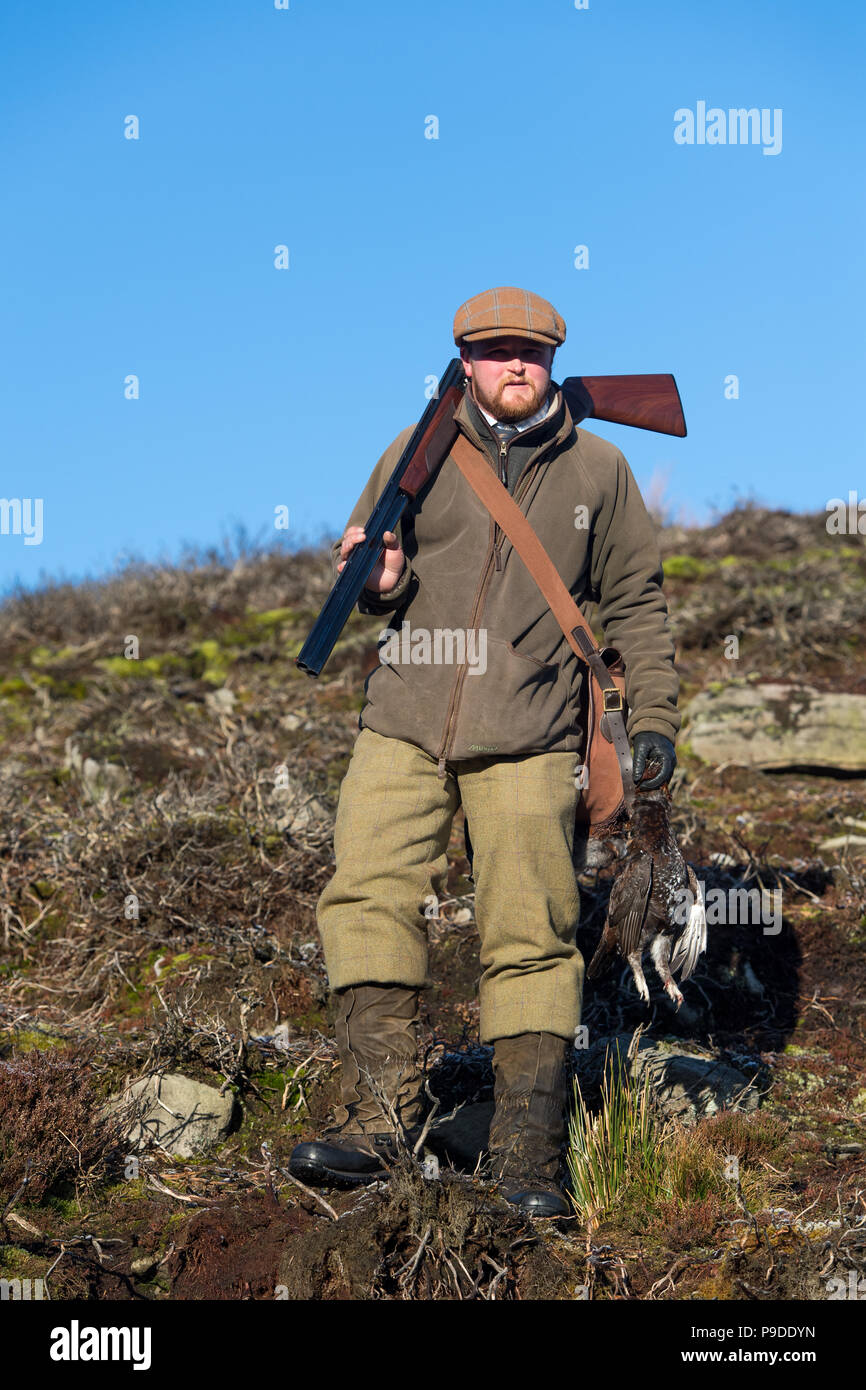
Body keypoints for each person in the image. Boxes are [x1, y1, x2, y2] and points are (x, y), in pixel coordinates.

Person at [289, 286, 680, 1216]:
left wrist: (656, 719)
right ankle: (377, 1123)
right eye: (494, 351)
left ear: (553, 362)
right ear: (464, 361)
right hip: (406, 717)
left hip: (533, 731)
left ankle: (527, 1160)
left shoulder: (601, 468)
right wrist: (378, 579)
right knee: (367, 896)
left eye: (531, 353)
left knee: (530, 933)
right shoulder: (416, 449)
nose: (514, 365)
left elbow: (640, 607)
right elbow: (374, 570)